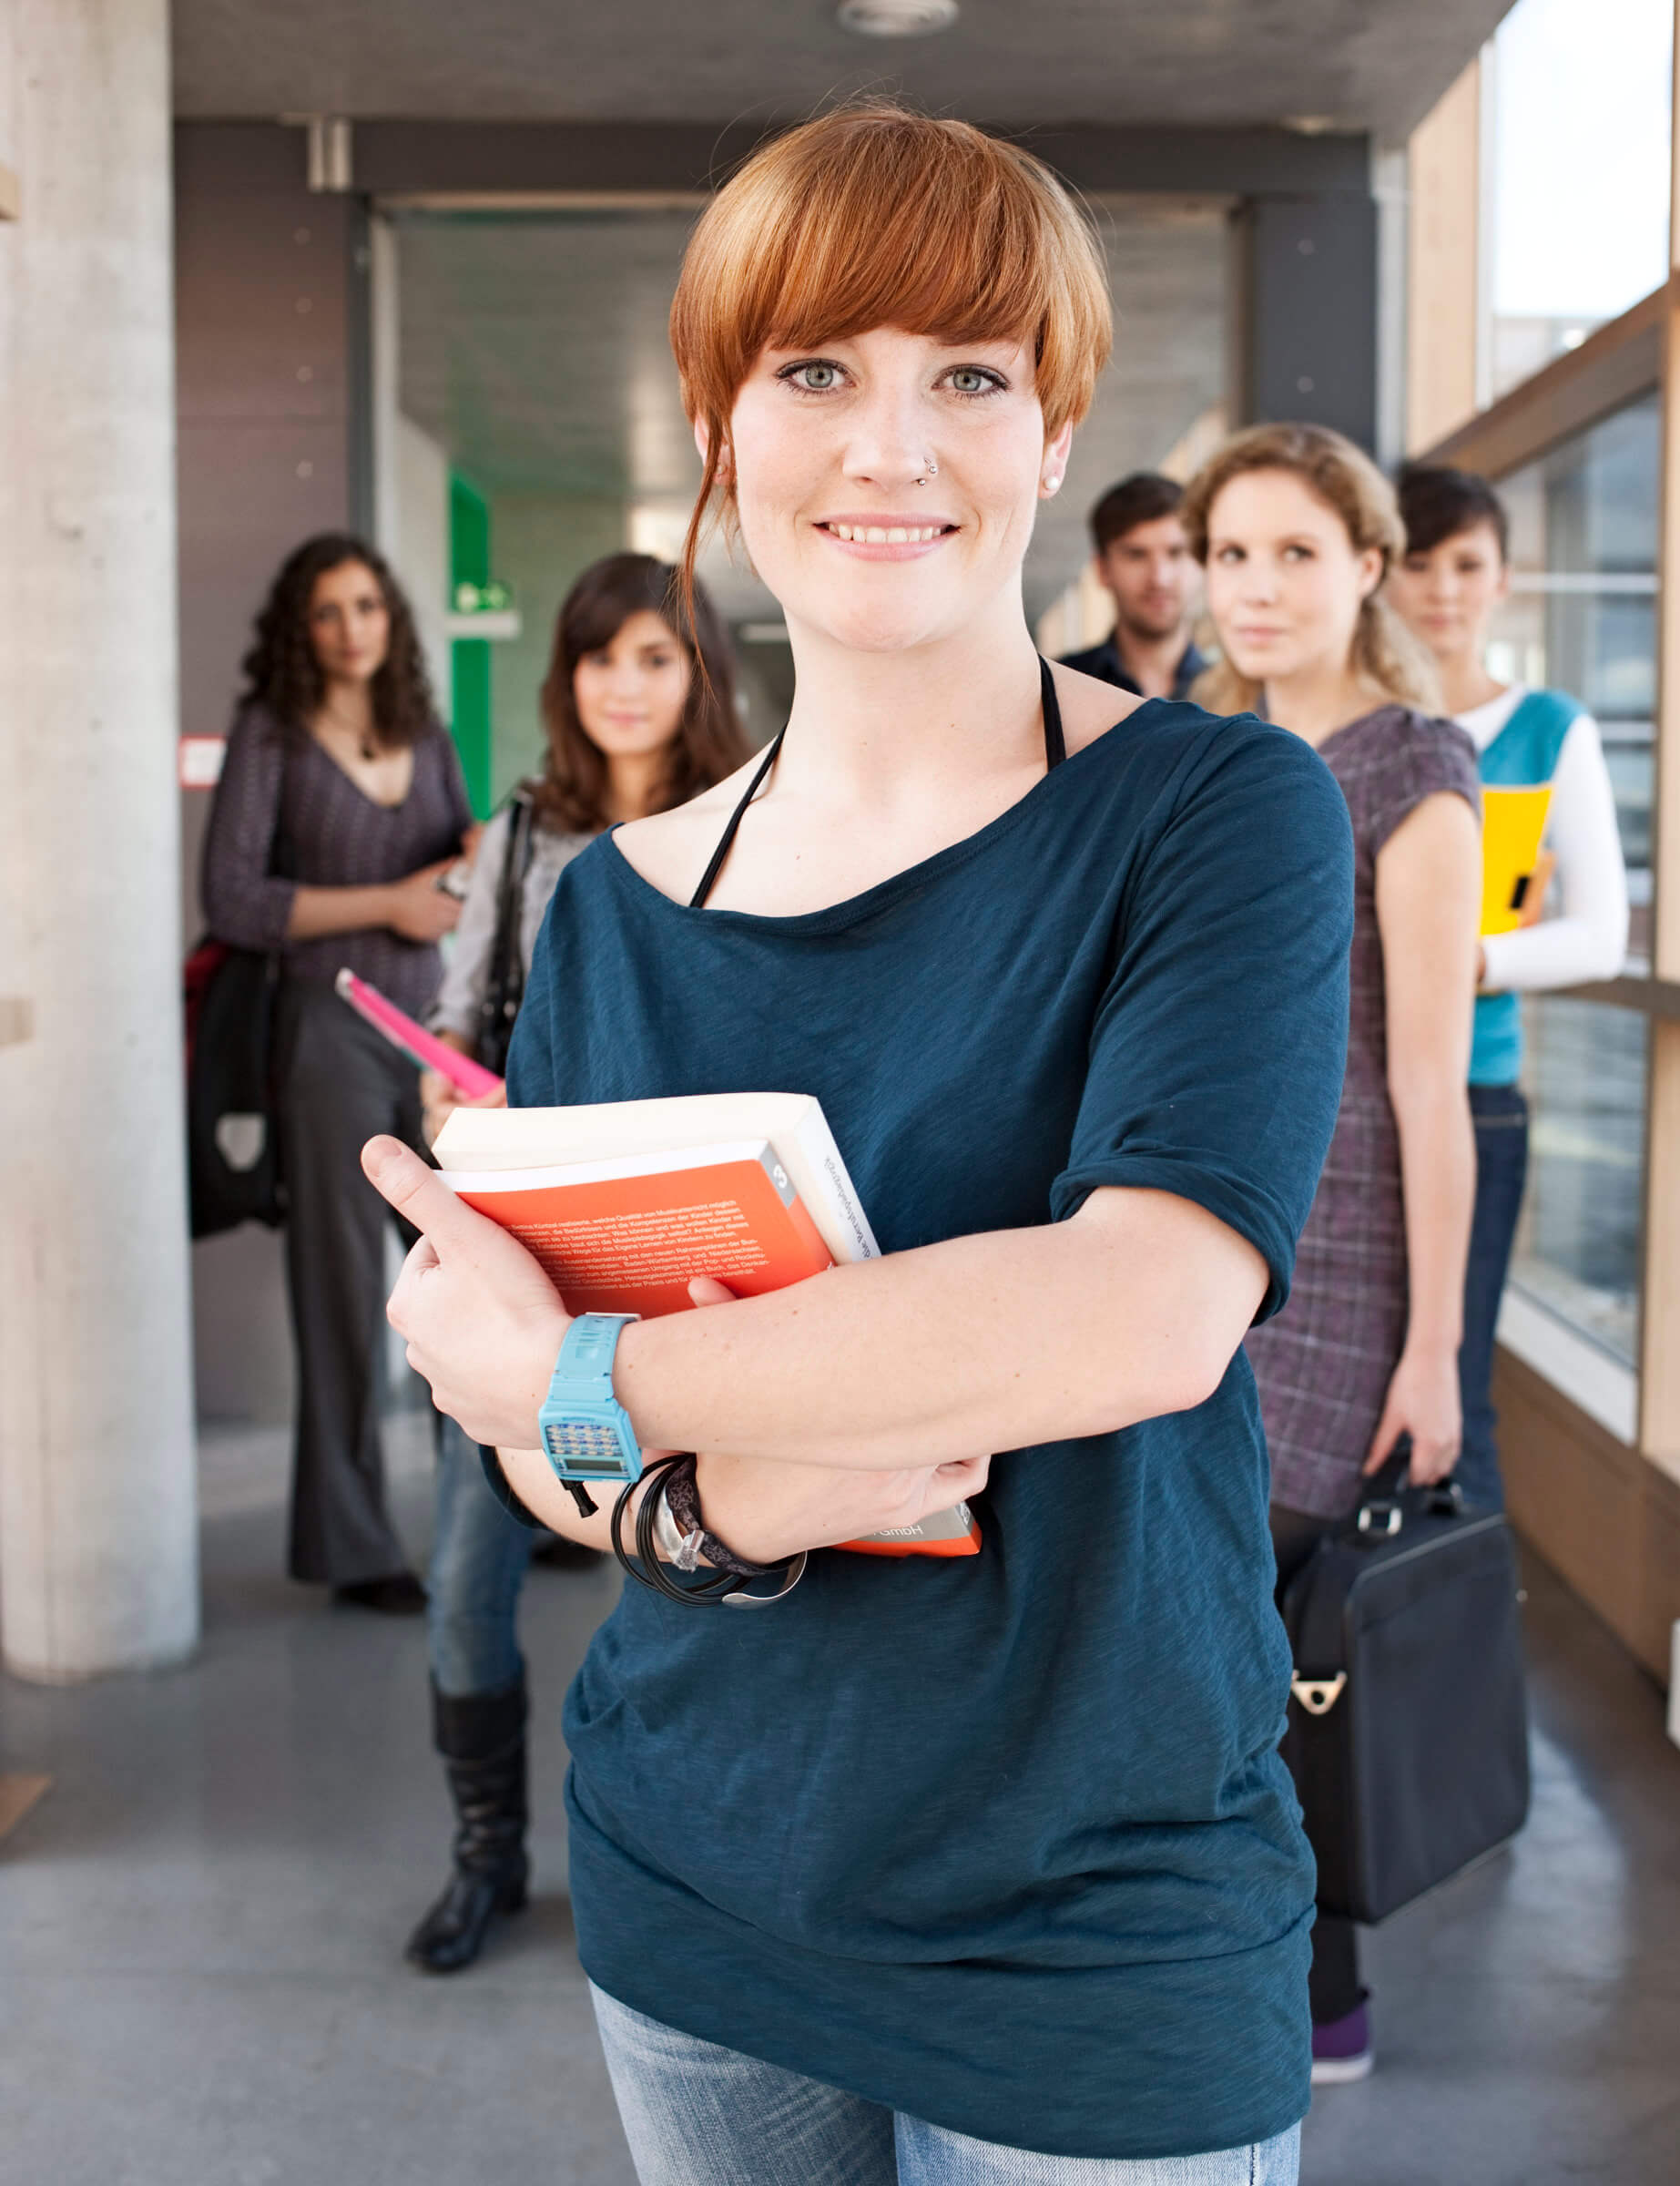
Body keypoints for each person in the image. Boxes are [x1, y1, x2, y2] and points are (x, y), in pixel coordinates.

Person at [364, 104, 1354, 2184]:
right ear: (718, 427)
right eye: (815, 369)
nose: (891, 447)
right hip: (692, 1876)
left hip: (1100, 1914)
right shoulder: (614, 905)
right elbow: (555, 1482)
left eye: (969, 377)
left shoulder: (1212, 814)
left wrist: (583, 1374)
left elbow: (1138, 1310)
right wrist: (710, 1495)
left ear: (1054, 435)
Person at [1183, 423, 1482, 2088]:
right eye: (1231, 553)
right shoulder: (1210, 753)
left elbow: (1429, 1084)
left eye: (1295, 552)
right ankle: (1229, 1967)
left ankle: (1322, 1996)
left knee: (1292, 1635)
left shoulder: (1411, 769)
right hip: (1202, 1236)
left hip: (1347, 1252)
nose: (1256, 587)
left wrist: (1434, 1351)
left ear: (1368, 566)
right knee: (1204, 1610)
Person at [405, 552, 747, 1975]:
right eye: (602, 656)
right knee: (464, 1576)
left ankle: (658, 1860)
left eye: (655, 656)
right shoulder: (522, 832)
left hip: (674, 1264)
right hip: (513, 1257)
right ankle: (486, 1852)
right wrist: (452, 1099)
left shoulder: (754, 822)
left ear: (698, 672)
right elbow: (453, 1024)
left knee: (663, 1573)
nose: (625, 684)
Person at [202, 535, 476, 1612]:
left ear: (390, 617)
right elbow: (232, 897)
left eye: (366, 605)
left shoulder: (424, 729)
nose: (351, 628)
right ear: (300, 628)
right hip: (325, 1029)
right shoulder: (271, 733)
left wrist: (475, 858)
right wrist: (389, 905)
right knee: (342, 1293)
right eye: (328, 611)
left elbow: (456, 858)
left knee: (473, 1275)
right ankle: (353, 1546)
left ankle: (507, 1509)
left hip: (436, 1034)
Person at [1388, 464, 1629, 1513]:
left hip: (1474, 1092)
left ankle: (1452, 1600)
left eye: (1467, 565)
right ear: (1381, 574)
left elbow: (1600, 937)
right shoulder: (1357, 724)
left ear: (1505, 580)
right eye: (1420, 563)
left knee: (1452, 1385)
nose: (1443, 589)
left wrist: (1460, 956)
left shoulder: (1549, 728)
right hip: (1339, 1090)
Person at [1057, 471, 1207, 700]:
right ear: (1103, 570)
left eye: (1176, 553)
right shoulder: (1058, 689)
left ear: (1200, 562)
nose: (1160, 578)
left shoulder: (1244, 696)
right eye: (1137, 555)